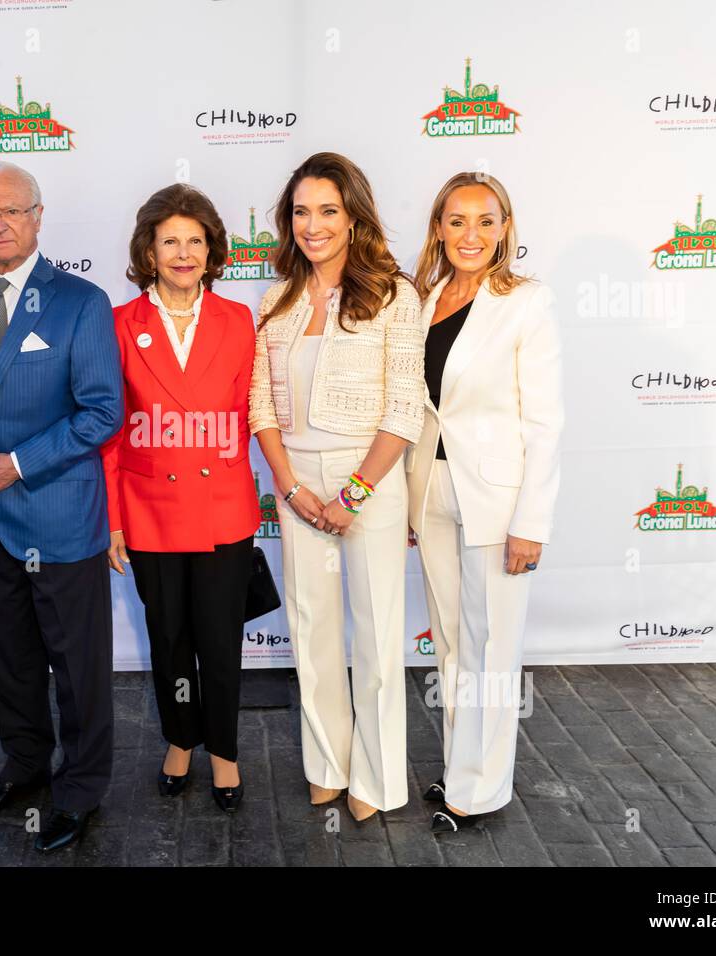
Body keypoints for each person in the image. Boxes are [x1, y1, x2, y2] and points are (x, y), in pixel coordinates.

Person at [0, 161, 122, 853]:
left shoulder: (80, 301)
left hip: (60, 516)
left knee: (77, 670)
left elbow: (103, 411)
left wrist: (18, 463)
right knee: (13, 662)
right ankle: (24, 768)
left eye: (11, 211)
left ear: (38, 217)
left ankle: (80, 790)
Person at [249, 152, 426, 822]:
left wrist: (352, 495)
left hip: (368, 480)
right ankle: (327, 763)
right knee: (311, 629)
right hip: (298, 485)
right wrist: (292, 489)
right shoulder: (277, 300)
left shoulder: (393, 295)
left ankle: (377, 781)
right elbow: (261, 407)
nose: (312, 224)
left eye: (327, 210)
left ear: (353, 217)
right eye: (300, 211)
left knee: (377, 635)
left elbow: (404, 408)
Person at [405, 171, 564, 833]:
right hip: (432, 487)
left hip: (497, 499)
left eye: (485, 221)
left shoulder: (527, 301)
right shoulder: (425, 296)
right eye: (457, 220)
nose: (471, 235)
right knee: (450, 641)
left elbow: (545, 421)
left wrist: (531, 522)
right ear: (439, 228)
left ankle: (479, 790)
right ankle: (459, 765)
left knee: (492, 648)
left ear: (505, 229)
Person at [101, 184, 260, 813]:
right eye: (171, 240)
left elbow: (250, 419)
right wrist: (113, 520)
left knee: (220, 641)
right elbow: (110, 432)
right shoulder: (119, 324)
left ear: (212, 249)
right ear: (150, 248)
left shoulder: (238, 319)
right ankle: (178, 740)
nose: (184, 252)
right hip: (148, 511)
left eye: (195, 240)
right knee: (168, 638)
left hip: (223, 508)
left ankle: (223, 752)